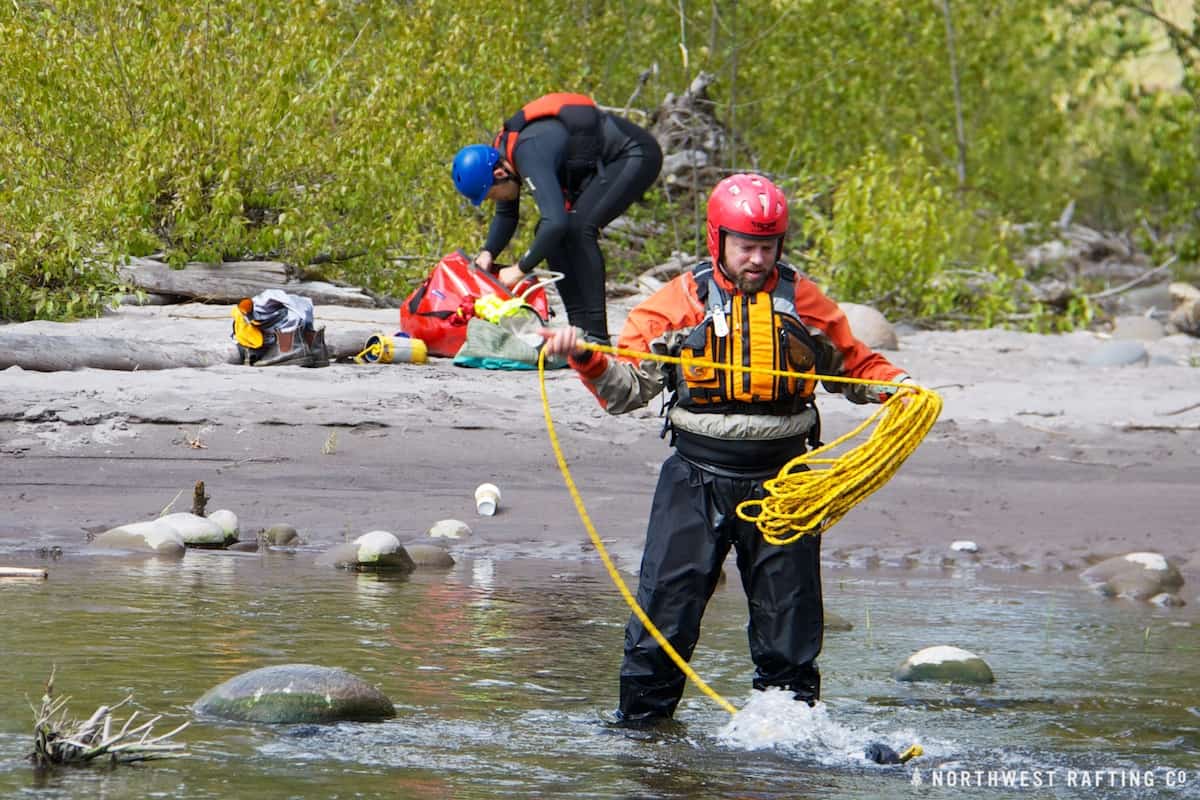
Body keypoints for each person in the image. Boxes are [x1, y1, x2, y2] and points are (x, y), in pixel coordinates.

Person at [541, 173, 913, 725]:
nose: (757, 259)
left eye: (767, 246)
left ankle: (786, 739)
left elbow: (856, 368)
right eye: (746, 246)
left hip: (788, 484)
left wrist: (896, 385)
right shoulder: (675, 304)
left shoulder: (805, 303)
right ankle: (643, 737)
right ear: (717, 240)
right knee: (664, 619)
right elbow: (623, 394)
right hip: (695, 478)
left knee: (790, 627)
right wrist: (585, 358)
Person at [451, 93, 663, 344]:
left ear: (499, 174)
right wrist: (488, 252)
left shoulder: (528, 153)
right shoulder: (503, 161)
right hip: (613, 159)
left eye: (490, 195)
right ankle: (579, 329)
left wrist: (519, 269)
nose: (493, 200)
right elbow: (507, 213)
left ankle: (596, 334)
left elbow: (557, 222)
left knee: (578, 228)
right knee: (552, 230)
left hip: (635, 153)